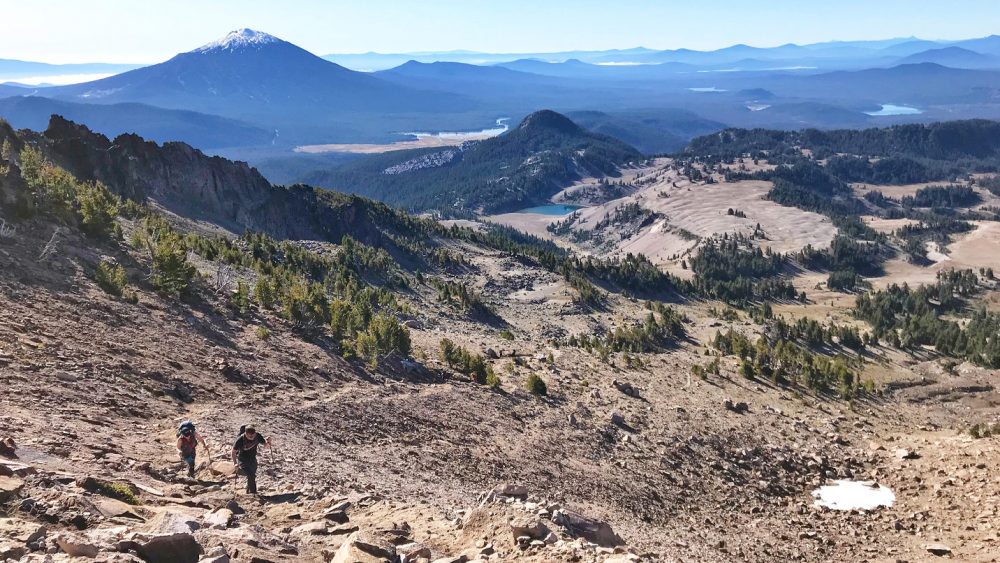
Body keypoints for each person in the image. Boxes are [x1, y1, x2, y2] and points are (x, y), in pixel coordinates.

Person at [232, 424, 271, 494]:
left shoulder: (257, 436)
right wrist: (235, 463)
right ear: (245, 433)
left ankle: (248, 491)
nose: (252, 437)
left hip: (253, 459)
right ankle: (253, 493)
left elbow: (265, 446)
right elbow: (233, 452)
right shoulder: (240, 439)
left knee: (252, 475)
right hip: (242, 459)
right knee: (251, 475)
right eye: (250, 436)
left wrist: (268, 442)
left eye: (253, 435)